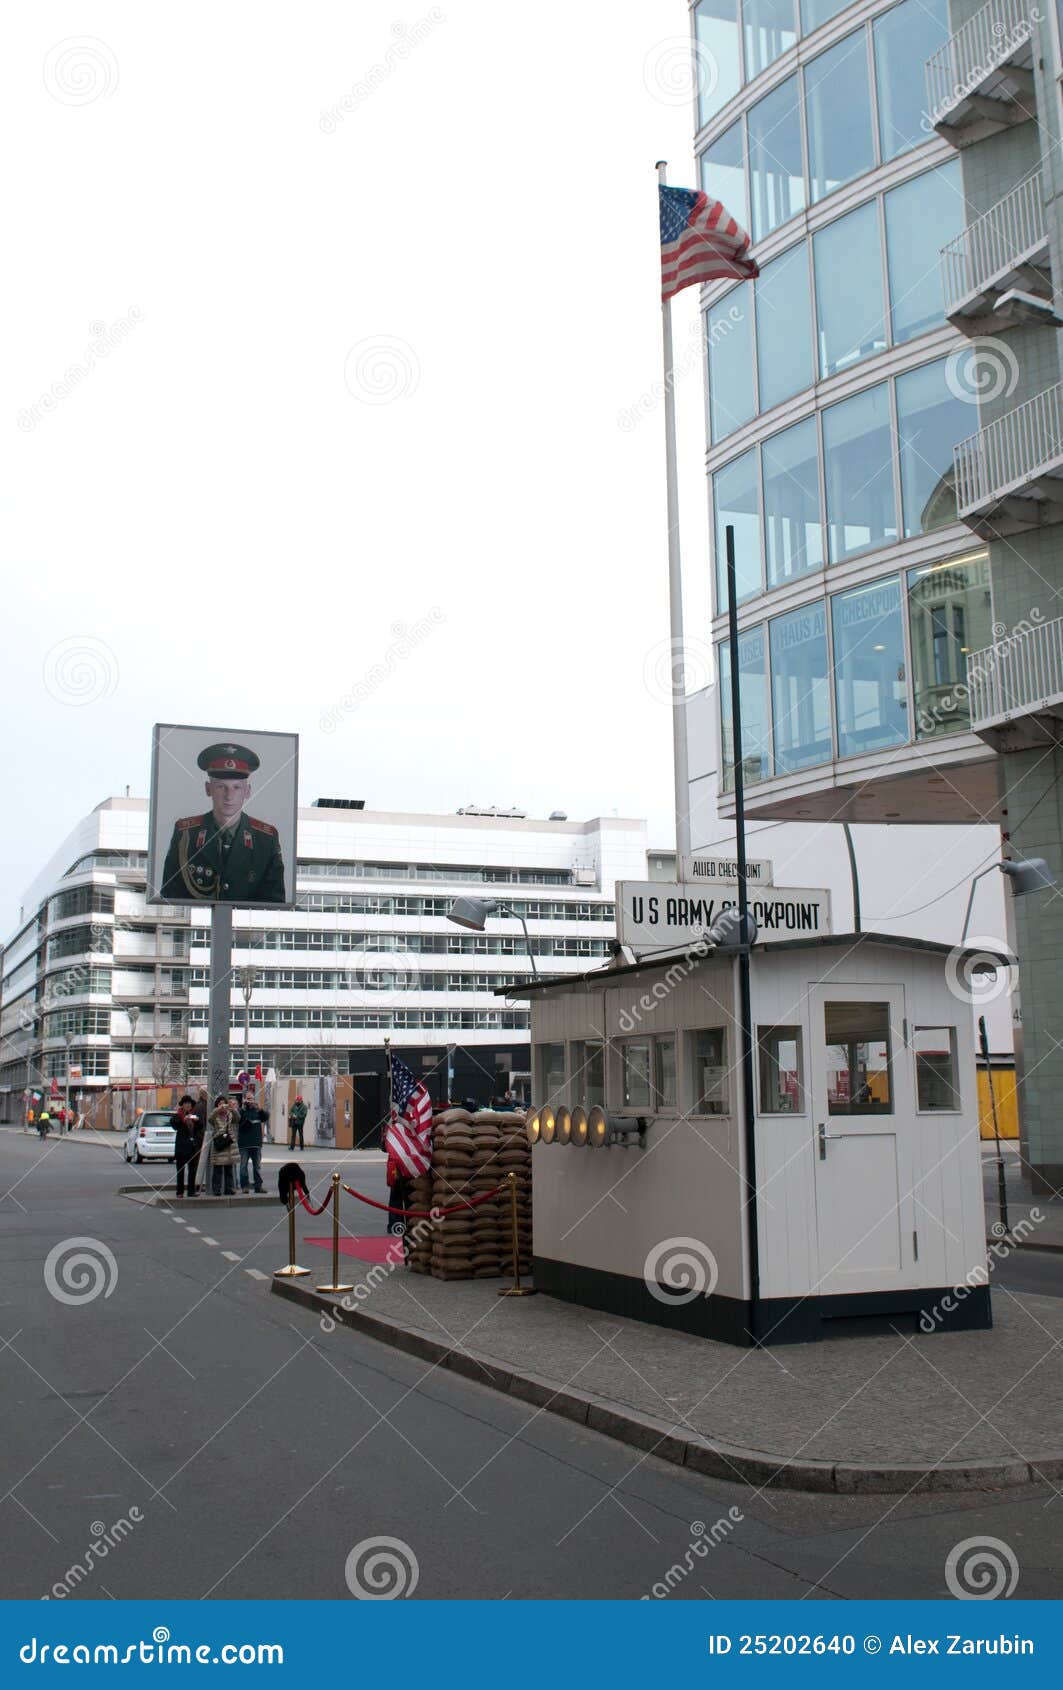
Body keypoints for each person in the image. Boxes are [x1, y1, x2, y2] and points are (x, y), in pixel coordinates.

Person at [160, 742, 286, 904]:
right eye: (221, 787)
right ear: (208, 789)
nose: (229, 796)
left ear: (247, 791)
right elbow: (170, 896)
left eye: (237, 788)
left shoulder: (266, 838)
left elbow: (274, 903)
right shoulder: (186, 833)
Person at [171, 1094, 203, 1198]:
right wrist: (183, 1119)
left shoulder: (194, 1116)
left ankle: (191, 1191)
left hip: (192, 1147)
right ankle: (179, 1192)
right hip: (181, 1147)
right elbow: (174, 1125)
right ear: (182, 1105)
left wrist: (197, 1121)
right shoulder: (178, 1115)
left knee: (192, 1170)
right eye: (186, 1103)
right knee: (180, 1170)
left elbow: (200, 1127)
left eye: (189, 1103)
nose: (188, 1105)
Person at [237, 1090, 268, 1194]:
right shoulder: (241, 1110)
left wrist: (259, 1108)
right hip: (244, 1144)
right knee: (243, 1166)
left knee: (257, 1167)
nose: (250, 1101)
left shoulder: (257, 1111)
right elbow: (236, 1118)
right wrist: (243, 1107)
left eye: (251, 1099)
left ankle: (258, 1186)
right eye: (248, 1099)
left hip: (256, 1143)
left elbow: (266, 1117)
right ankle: (244, 1186)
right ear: (244, 1099)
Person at [208, 1095, 239, 1196]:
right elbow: (210, 1119)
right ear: (217, 1105)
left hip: (229, 1143)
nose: (222, 1106)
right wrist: (217, 1110)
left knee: (229, 1168)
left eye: (223, 1103)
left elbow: (238, 1119)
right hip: (220, 1143)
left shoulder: (229, 1114)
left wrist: (232, 1109)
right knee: (218, 1168)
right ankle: (216, 1189)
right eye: (220, 1104)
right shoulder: (215, 1115)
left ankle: (229, 1188)